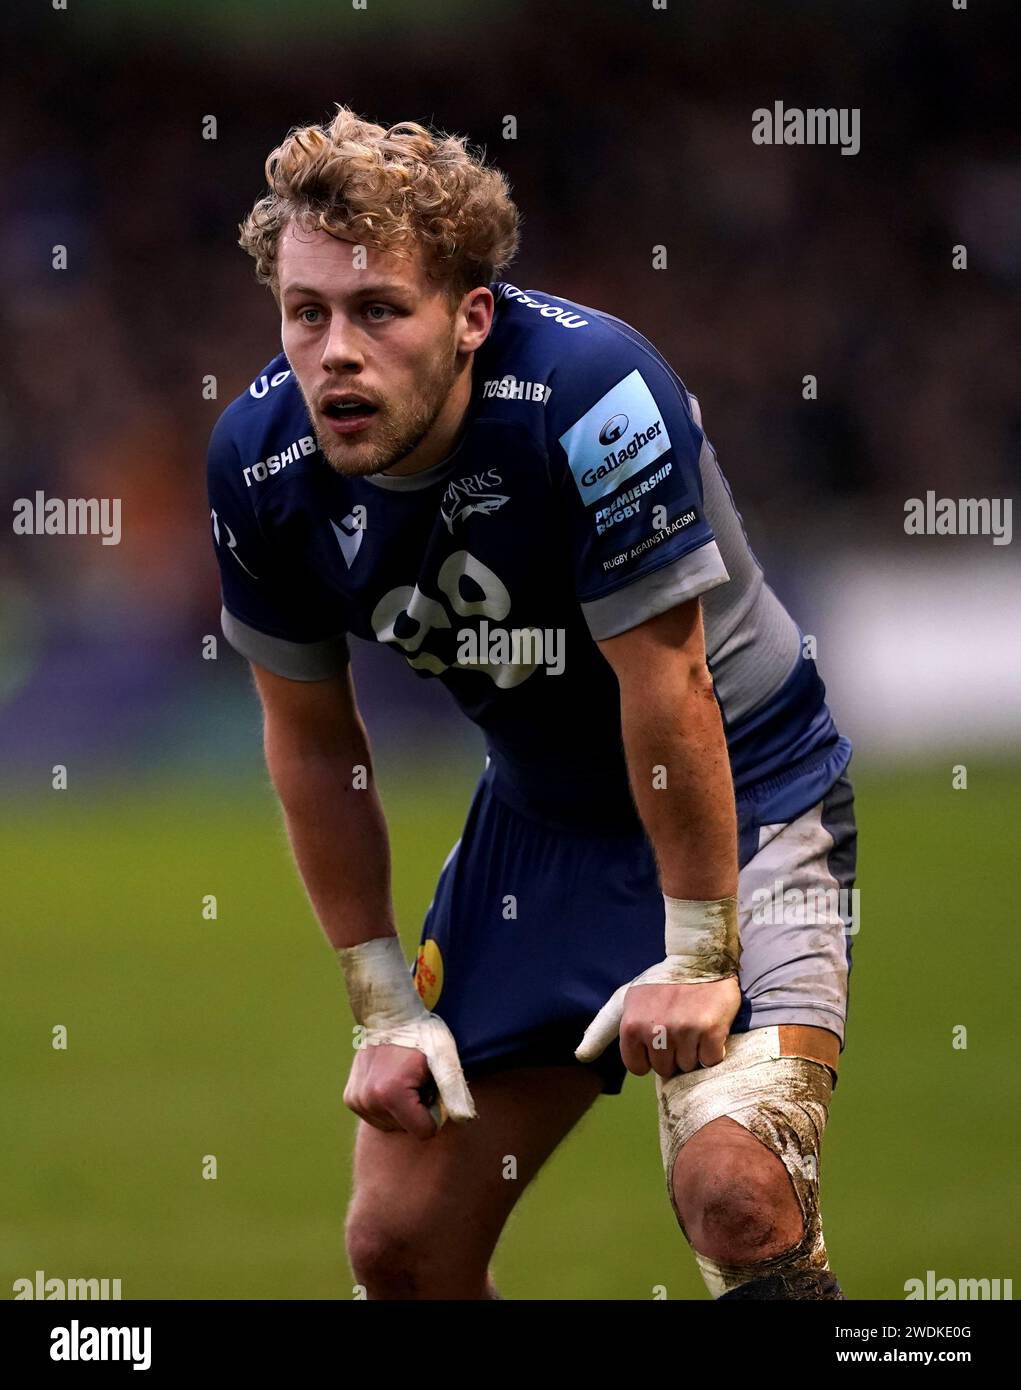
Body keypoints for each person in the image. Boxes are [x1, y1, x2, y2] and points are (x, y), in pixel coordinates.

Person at [206, 104, 857, 1300]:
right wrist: (381, 1005)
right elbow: (309, 738)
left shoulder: (594, 394)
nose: (333, 353)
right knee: (396, 1249)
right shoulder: (258, 466)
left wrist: (701, 951)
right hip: (543, 826)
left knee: (735, 1192)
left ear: (469, 317)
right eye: (307, 314)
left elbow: (672, 682)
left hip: (748, 796)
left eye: (377, 310)